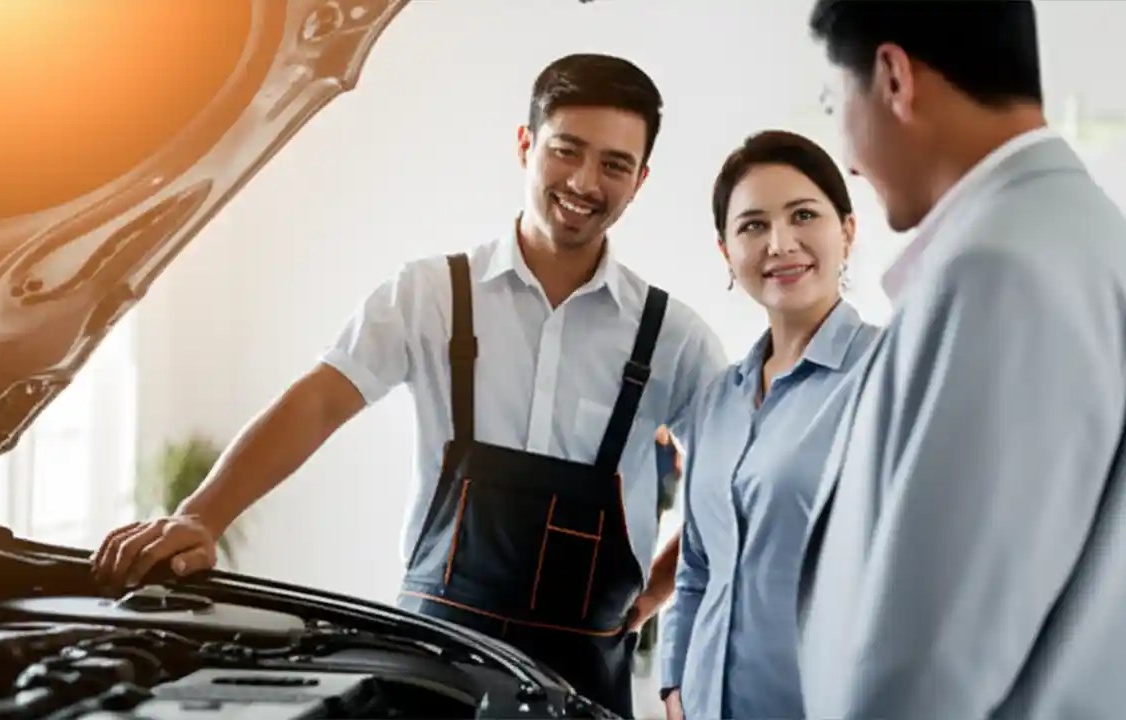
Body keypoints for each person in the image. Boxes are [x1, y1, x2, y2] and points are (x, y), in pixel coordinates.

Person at [90, 52, 728, 716]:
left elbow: (732, 485)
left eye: (614, 165)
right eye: (567, 151)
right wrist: (202, 514)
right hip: (431, 658)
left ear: (640, 181)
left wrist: (660, 589)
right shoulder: (431, 295)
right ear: (525, 146)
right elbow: (318, 403)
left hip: (585, 678)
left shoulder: (673, 337)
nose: (585, 181)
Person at [797, 1, 1126, 717]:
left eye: (835, 101)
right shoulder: (1083, 235)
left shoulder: (1002, 270)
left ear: (893, 77)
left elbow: (932, 673)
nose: (850, 159)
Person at [655, 130, 880, 720]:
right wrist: (675, 684)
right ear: (726, 251)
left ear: (847, 231)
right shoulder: (717, 400)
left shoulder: (892, 376)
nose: (780, 243)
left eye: (804, 215)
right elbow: (698, 565)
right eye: (752, 225)